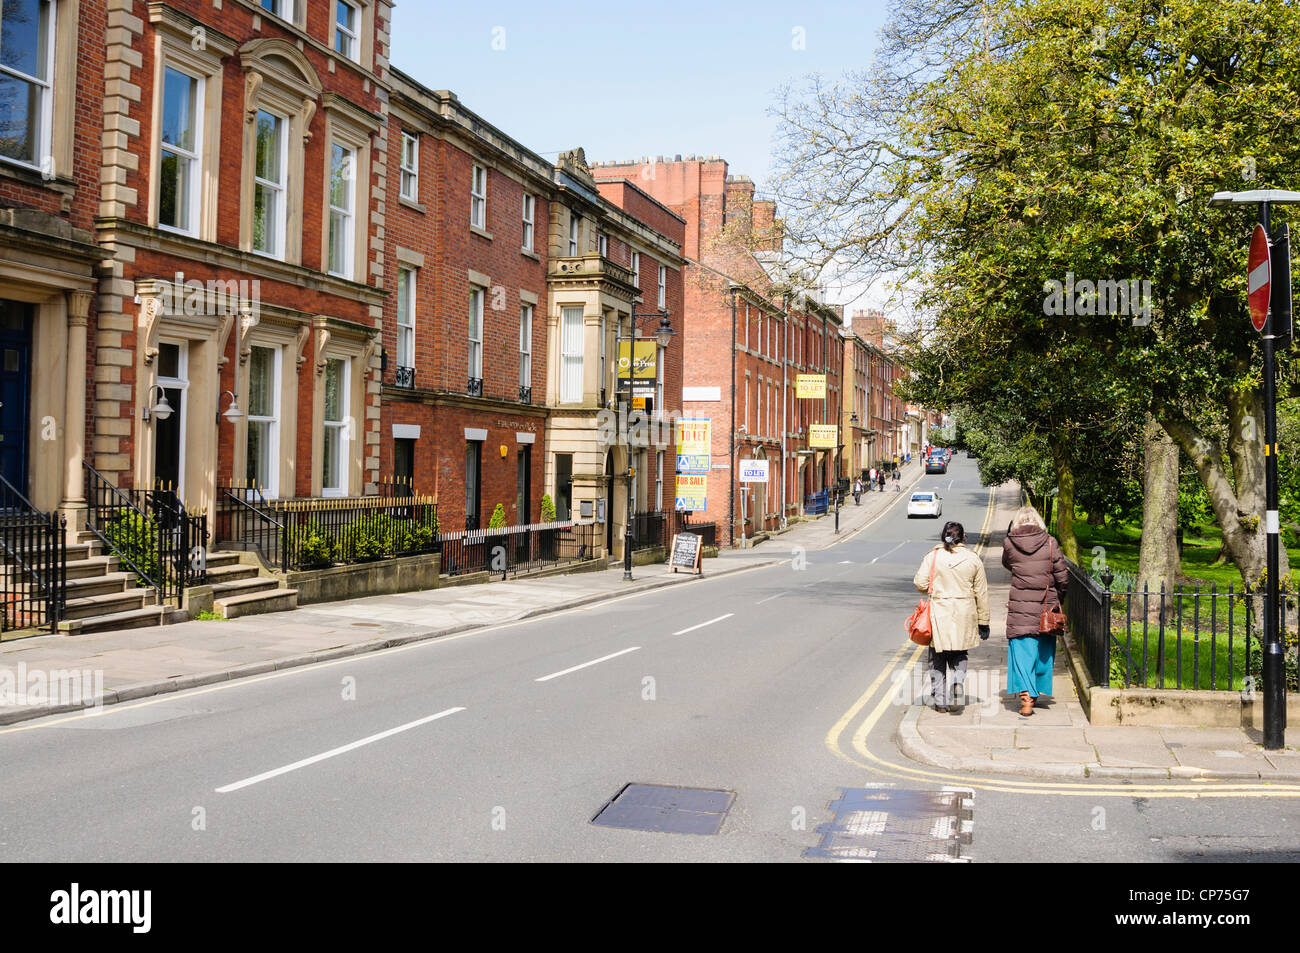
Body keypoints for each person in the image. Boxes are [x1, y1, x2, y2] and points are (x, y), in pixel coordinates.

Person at [913, 521, 990, 713]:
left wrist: (933, 586)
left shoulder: (933, 556)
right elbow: (981, 593)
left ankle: (940, 703)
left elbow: (919, 583)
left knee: (937, 658)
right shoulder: (973, 559)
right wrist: (984, 622)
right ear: (963, 537)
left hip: (939, 611)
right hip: (964, 611)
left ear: (943, 536)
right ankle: (957, 682)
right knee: (959, 653)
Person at [1001, 505, 1069, 716]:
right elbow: (1062, 577)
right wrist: (1059, 599)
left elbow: (1007, 564)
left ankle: (1027, 699)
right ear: (1039, 522)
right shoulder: (1050, 543)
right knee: (1043, 652)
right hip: (1045, 606)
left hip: (1020, 605)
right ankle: (1035, 692)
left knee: (1022, 652)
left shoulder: (1010, 543)